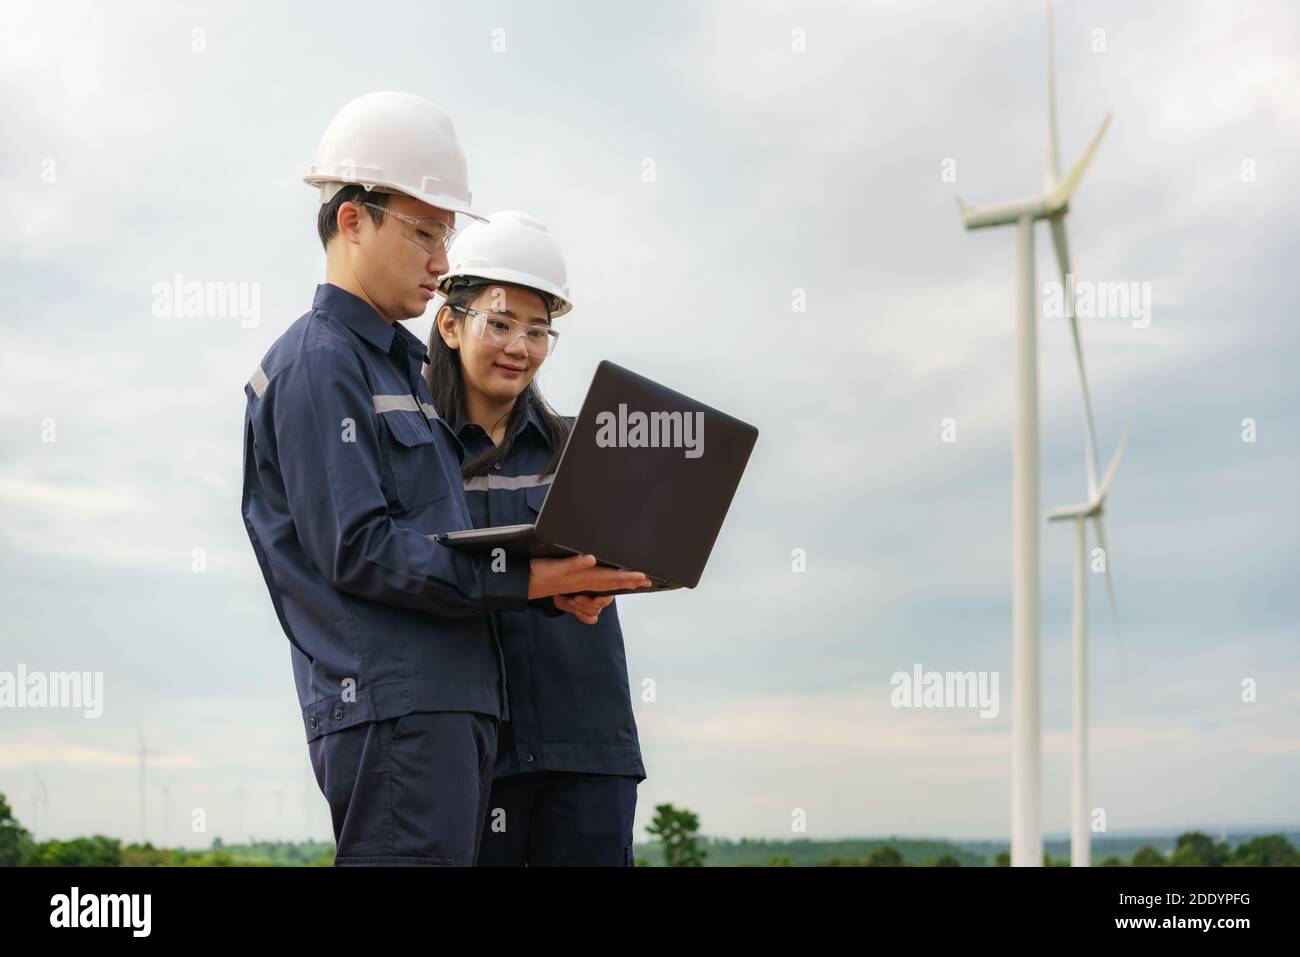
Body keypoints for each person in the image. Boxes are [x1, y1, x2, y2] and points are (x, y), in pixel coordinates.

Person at [240, 92, 651, 867]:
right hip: (400, 711)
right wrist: (525, 578)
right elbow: (360, 548)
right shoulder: (320, 364)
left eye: (446, 236)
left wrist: (552, 580)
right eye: (425, 232)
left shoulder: (391, 372)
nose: (439, 259)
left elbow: (434, 543)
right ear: (352, 218)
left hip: (450, 711)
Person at [424, 211, 645, 867]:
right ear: (450, 322)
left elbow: (612, 565)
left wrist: (613, 579)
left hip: (588, 753)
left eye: (539, 330)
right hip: (470, 755)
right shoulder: (415, 454)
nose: (520, 346)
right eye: (499, 323)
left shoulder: (581, 447)